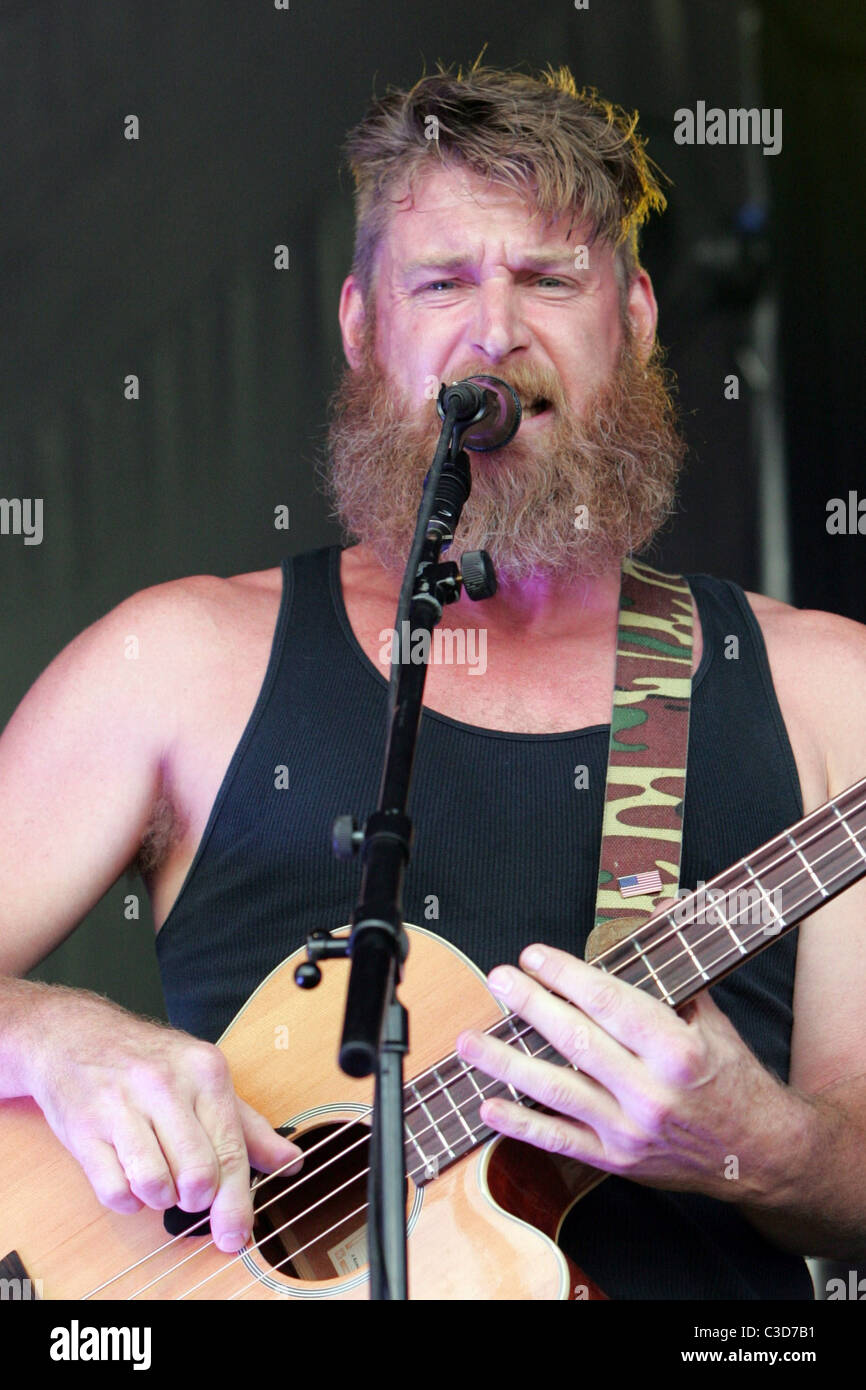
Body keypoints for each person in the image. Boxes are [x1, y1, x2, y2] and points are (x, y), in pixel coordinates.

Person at [1, 63, 864, 1299]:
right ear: (362, 325)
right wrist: (54, 1036)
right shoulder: (177, 659)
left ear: (634, 314)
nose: (494, 329)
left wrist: (754, 1144)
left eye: (550, 280)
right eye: (442, 281)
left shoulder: (827, 687)